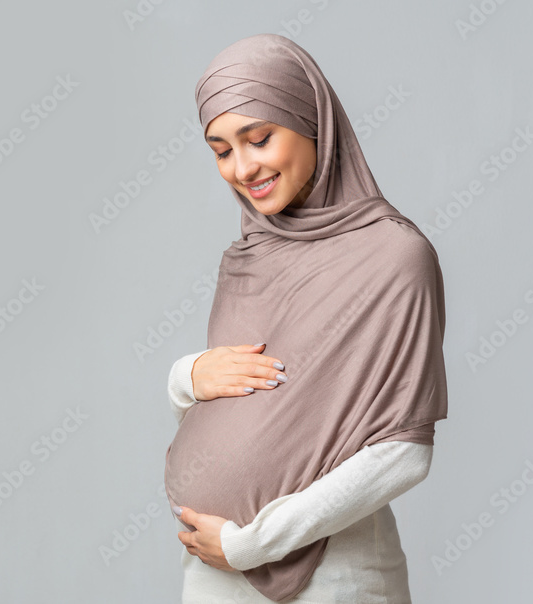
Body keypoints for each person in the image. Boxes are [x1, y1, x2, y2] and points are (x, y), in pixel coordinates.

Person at [163, 34, 448, 603]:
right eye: (221, 151)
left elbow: (403, 451)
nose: (242, 168)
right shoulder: (248, 257)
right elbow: (253, 401)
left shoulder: (395, 257)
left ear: (313, 120)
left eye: (259, 138)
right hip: (212, 571)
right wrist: (185, 377)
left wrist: (253, 543)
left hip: (334, 577)